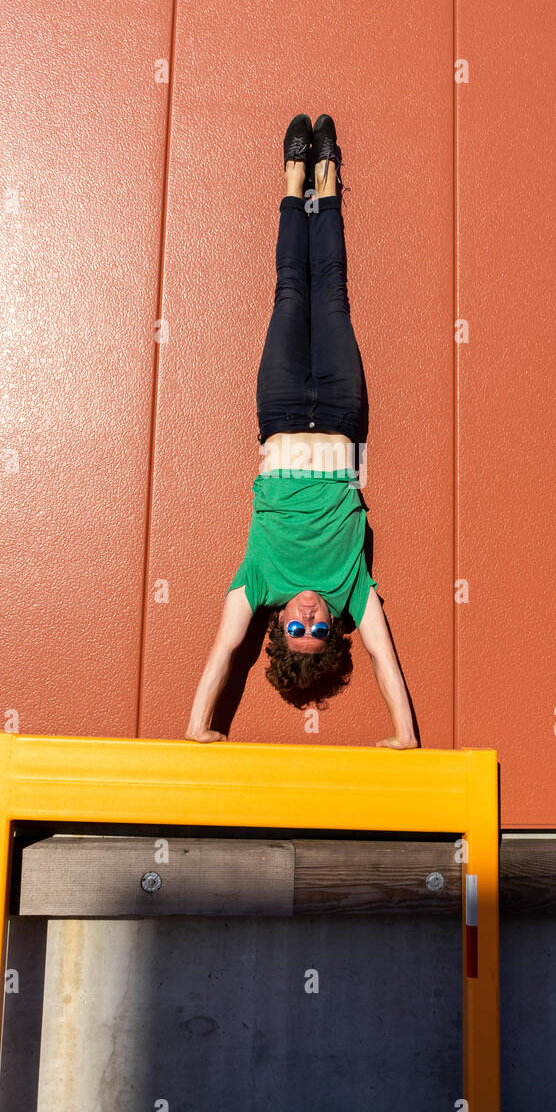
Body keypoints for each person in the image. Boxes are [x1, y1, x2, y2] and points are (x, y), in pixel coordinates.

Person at [184, 114, 418, 749]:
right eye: (319, 631)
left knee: (291, 294)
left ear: (280, 623)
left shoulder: (258, 583)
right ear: (332, 629)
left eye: (296, 630)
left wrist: (197, 727)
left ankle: (294, 181)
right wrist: (403, 733)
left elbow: (224, 649)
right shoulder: (350, 592)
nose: (310, 620)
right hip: (342, 413)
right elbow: (383, 661)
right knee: (333, 294)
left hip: (283, 411)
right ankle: (329, 183)